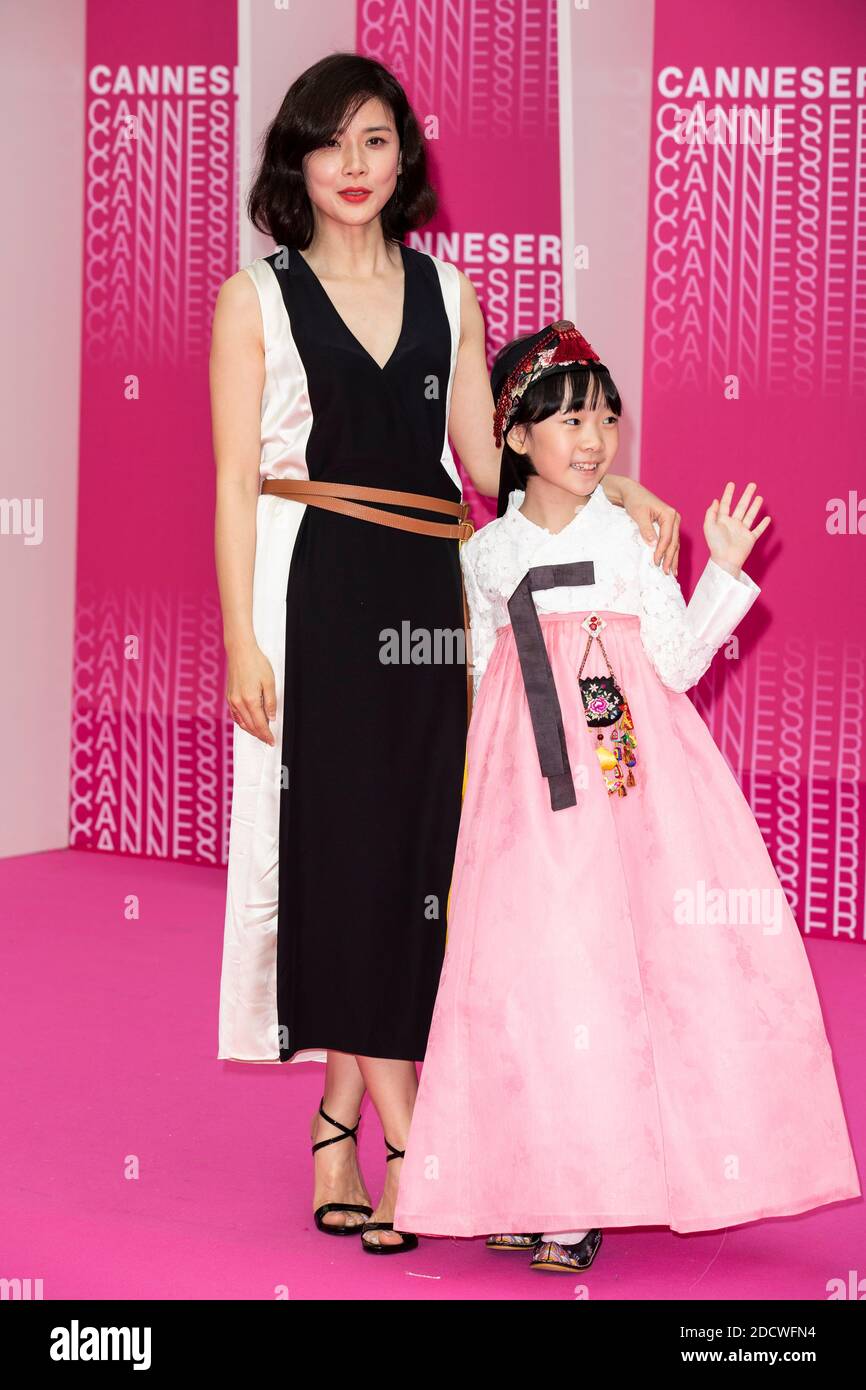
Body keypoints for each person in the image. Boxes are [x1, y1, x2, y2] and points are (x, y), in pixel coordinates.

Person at [211, 53, 682, 1254]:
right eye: (330, 144)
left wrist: (606, 476)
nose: (354, 167)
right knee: (342, 852)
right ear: (296, 163)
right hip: (315, 586)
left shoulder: (450, 292)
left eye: (375, 142)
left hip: (433, 597)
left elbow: (484, 461)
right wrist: (238, 642)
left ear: (402, 157)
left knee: (425, 858)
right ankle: (413, 1140)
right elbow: (227, 482)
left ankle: (335, 1117)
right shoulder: (253, 300)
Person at [392, 321, 861, 1271]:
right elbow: (481, 684)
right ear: (514, 436)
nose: (594, 437)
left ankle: (586, 1192)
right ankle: (528, 1177)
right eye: (568, 419)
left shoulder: (630, 541)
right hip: (522, 809)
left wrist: (723, 569)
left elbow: (681, 661)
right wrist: (462, 799)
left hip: (630, 798)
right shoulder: (485, 557)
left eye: (605, 416)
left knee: (612, 975)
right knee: (523, 981)